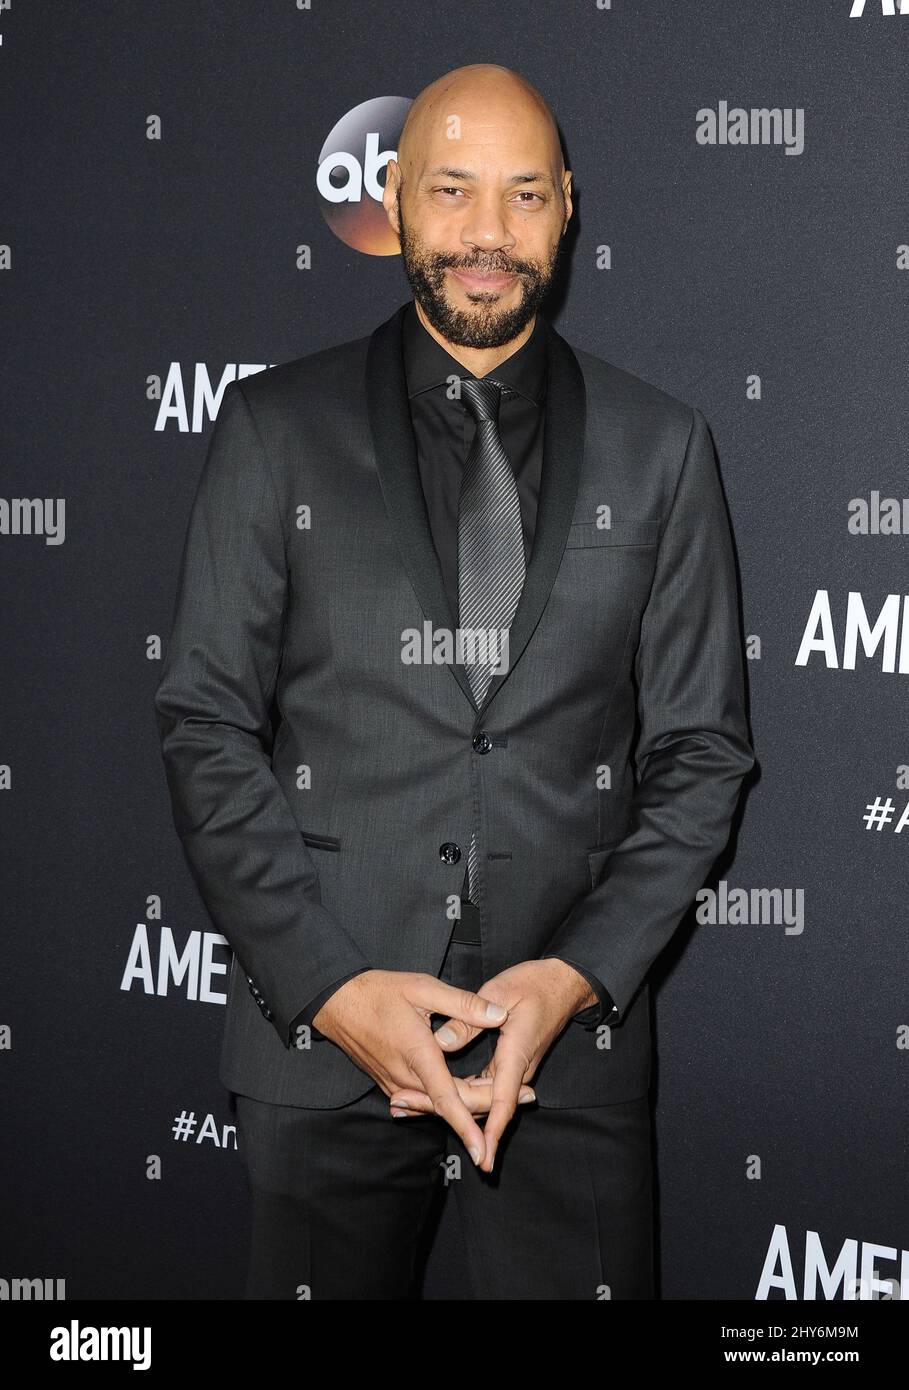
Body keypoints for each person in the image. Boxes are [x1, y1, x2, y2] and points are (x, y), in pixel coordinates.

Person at [154, 62, 754, 1300]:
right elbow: (207, 726)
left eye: (525, 195)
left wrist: (572, 975)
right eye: (453, 191)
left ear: (569, 207)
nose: (488, 234)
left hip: (567, 1067)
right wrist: (331, 988)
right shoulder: (275, 430)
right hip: (323, 1057)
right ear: (394, 202)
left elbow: (701, 756)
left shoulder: (663, 448)